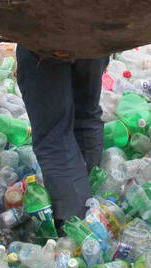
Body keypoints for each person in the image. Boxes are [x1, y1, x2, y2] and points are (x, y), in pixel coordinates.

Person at [12, 45, 109, 225]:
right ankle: (90, 197)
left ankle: (78, 228)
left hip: (45, 37)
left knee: (53, 137)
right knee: (85, 113)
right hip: (94, 36)